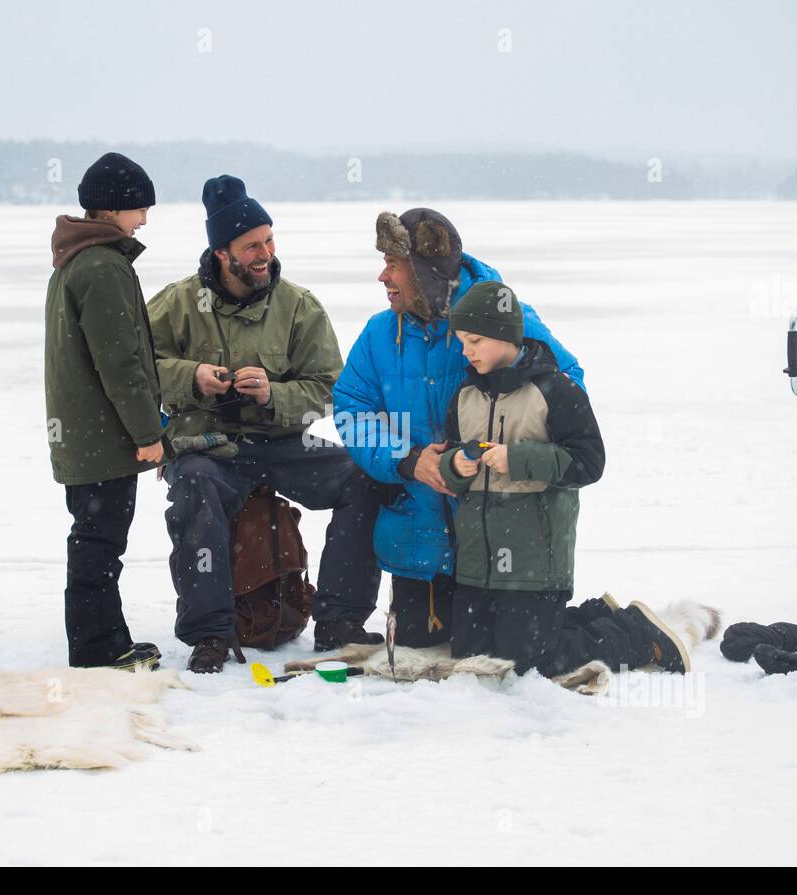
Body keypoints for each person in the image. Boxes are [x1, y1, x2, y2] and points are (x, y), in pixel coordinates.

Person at [147, 175, 383, 673]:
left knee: (364, 478)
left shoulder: (298, 306)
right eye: (251, 245)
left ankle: (338, 621)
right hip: (209, 447)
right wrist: (193, 378)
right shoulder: (177, 304)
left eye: (269, 240)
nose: (265, 254)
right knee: (194, 487)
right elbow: (137, 372)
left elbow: (328, 389)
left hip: (283, 443)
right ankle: (211, 632)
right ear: (221, 253)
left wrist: (274, 394)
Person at [333, 208, 583, 650]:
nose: (382, 276)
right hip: (420, 538)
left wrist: (505, 449)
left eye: (394, 264)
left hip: (501, 532)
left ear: (425, 273)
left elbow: (567, 385)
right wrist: (408, 461)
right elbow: (354, 409)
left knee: (513, 647)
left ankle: (613, 627)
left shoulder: (501, 319)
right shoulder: (377, 334)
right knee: (421, 646)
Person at [440, 280, 691, 675]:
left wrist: (519, 459)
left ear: (505, 336)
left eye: (474, 340)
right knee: (469, 658)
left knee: (526, 663)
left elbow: (589, 462)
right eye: (461, 341)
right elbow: (450, 459)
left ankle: (633, 632)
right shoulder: (464, 397)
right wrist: (455, 467)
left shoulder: (557, 390)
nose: (465, 350)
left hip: (535, 563)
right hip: (477, 563)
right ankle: (592, 614)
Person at [44, 152, 169, 671]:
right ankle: (98, 649)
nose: (144, 219)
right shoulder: (102, 267)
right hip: (103, 438)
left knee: (94, 539)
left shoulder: (80, 261)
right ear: (113, 208)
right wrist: (148, 432)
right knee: (99, 542)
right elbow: (120, 364)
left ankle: (105, 641)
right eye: (140, 208)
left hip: (85, 434)